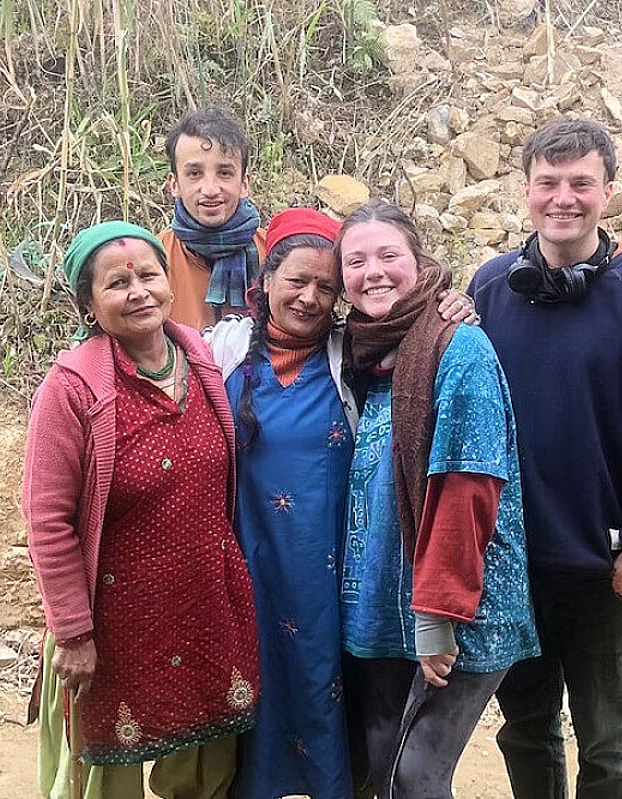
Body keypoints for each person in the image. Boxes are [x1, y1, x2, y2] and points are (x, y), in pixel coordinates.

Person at [204, 208, 479, 799]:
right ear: (265, 281)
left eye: (325, 287)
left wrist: (449, 303)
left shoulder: (351, 351)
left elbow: (410, 326)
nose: (308, 297)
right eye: (295, 281)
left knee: (331, 688)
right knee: (258, 684)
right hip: (251, 561)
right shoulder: (219, 349)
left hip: (333, 566)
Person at [467, 118, 622, 799]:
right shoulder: (491, 289)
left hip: (600, 566)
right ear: (525, 191)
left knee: (607, 742)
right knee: (525, 728)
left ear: (609, 193)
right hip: (510, 564)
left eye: (581, 183)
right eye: (548, 182)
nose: (564, 198)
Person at [23, 221, 260, 799]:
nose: (139, 291)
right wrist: (73, 632)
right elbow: (46, 519)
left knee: (205, 770)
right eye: (117, 283)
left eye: (149, 274)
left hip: (204, 605)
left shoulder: (200, 358)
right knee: (107, 776)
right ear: (88, 303)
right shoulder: (73, 388)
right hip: (113, 622)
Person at [333, 200, 539, 798]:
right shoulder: (362, 355)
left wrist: (438, 620)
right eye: (356, 260)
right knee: (378, 761)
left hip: (458, 608)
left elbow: (465, 485)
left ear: (420, 261)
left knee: (418, 774)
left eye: (388, 255)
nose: (373, 271)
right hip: (381, 605)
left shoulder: (457, 349)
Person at [158, 107, 269, 330]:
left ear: (244, 184)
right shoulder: (155, 259)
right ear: (174, 184)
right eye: (194, 174)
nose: (210, 189)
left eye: (224, 173)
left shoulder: (273, 252)